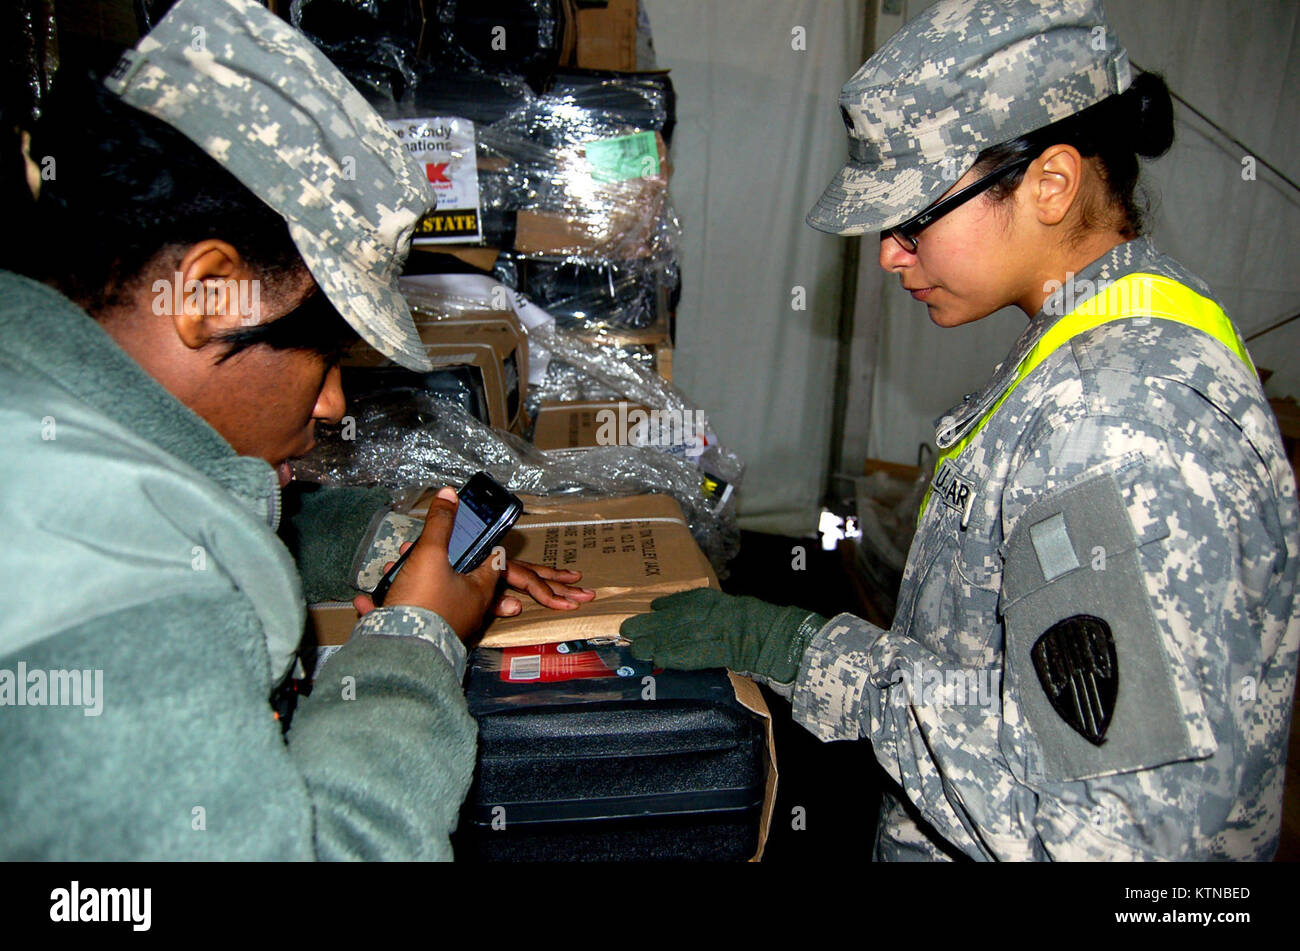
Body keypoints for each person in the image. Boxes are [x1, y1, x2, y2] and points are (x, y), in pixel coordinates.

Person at [622, 0, 1300, 861]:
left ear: (1050, 184)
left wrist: (807, 649)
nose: (890, 254)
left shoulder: (1116, 416)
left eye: (913, 220)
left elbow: (1113, 837)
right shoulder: (1108, 334)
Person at [0, 0, 590, 860]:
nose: (332, 407)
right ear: (209, 293)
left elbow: (173, 497)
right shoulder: (127, 613)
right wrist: (413, 641)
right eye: (322, 353)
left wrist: (384, 541)